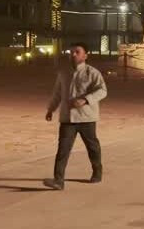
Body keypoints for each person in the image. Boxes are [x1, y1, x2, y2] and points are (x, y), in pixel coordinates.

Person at [43, 42, 108, 190]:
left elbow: (102, 91)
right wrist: (51, 109)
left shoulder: (92, 73)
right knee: (63, 149)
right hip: (67, 118)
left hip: (87, 118)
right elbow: (58, 93)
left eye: (77, 52)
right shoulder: (63, 72)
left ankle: (97, 172)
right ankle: (58, 180)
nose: (73, 54)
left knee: (92, 147)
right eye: (71, 52)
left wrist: (85, 100)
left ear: (85, 55)